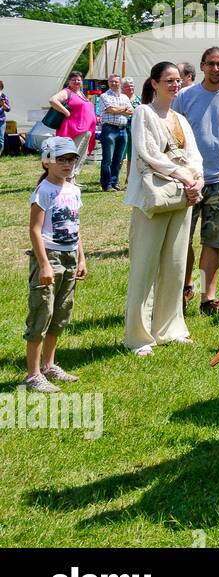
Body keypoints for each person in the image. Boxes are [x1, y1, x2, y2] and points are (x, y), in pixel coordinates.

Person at [123, 62, 203, 356]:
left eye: (177, 80)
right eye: (168, 80)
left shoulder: (181, 119)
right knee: (145, 266)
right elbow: (148, 153)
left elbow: (194, 155)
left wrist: (198, 179)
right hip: (154, 199)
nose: (174, 84)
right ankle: (138, 336)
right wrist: (183, 175)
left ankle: (170, 329)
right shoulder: (143, 113)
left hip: (182, 199)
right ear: (154, 83)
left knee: (175, 265)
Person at [173, 47, 219, 318]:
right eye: (211, 64)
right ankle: (183, 289)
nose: (216, 69)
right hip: (189, 180)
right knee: (182, 241)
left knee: (214, 241)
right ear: (202, 66)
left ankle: (208, 298)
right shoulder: (185, 97)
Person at [22, 137, 87, 393]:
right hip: (50, 257)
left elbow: (76, 227)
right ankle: (32, 375)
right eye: (61, 159)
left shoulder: (74, 190)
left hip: (70, 257)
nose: (67, 164)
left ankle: (49, 365)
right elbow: (35, 231)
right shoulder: (43, 191)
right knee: (42, 313)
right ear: (47, 161)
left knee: (60, 313)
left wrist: (81, 257)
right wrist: (45, 264)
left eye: (71, 159)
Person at [49, 71, 97, 177]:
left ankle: (73, 178)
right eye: (73, 79)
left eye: (78, 80)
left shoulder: (80, 93)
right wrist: (66, 112)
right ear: (69, 81)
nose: (76, 81)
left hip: (85, 130)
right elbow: (53, 100)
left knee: (80, 155)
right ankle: (68, 178)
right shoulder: (67, 92)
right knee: (72, 154)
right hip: (72, 130)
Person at [95, 74, 132, 192]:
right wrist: (122, 110)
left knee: (118, 158)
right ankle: (106, 184)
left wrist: (117, 110)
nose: (113, 83)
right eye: (111, 82)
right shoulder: (104, 96)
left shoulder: (125, 97)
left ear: (120, 83)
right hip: (109, 129)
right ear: (108, 83)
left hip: (122, 129)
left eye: (116, 81)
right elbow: (111, 110)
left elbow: (131, 111)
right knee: (108, 159)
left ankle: (114, 182)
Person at [120, 77, 140, 181]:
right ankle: (114, 179)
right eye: (127, 86)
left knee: (132, 156)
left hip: (135, 130)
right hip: (122, 129)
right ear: (122, 88)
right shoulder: (119, 99)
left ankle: (129, 178)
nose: (130, 88)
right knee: (120, 155)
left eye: (131, 85)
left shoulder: (139, 99)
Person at [0, 79, 10, 156]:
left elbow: (8, 109)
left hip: (1, 121)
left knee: (0, 139)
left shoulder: (4, 96)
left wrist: (3, 105)